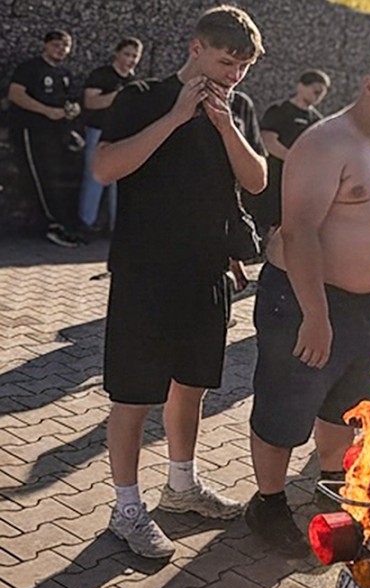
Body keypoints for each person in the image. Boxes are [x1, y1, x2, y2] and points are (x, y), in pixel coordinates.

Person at [245, 46, 370, 556]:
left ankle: (330, 488)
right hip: (306, 298)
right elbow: (299, 229)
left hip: (369, 306)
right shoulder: (325, 142)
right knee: (286, 408)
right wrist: (315, 315)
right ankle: (267, 504)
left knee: (348, 411)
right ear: (369, 84)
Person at [93, 5, 267, 558]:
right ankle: (126, 506)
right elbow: (105, 168)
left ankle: (182, 486)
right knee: (133, 394)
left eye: (242, 67)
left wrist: (225, 125)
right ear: (196, 49)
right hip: (145, 271)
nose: (233, 76)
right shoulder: (141, 96)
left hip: (208, 271)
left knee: (191, 386)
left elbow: (257, 181)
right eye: (225, 62)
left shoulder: (238, 107)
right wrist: (173, 117)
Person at [7, 30, 83, 247]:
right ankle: (51, 224)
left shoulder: (65, 73)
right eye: (57, 45)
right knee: (40, 177)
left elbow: (72, 99)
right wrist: (46, 110)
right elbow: (15, 94)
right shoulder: (30, 68)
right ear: (46, 45)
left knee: (56, 178)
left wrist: (73, 109)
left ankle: (62, 223)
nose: (61, 50)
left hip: (57, 132)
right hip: (32, 129)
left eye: (65, 46)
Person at [249, 69, 329, 232]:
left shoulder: (318, 121)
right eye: (315, 91)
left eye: (321, 93)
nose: (318, 96)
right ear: (301, 86)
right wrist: (295, 160)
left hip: (296, 182)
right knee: (263, 220)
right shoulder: (279, 110)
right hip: (273, 175)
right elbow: (268, 140)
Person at [78, 37, 142, 235]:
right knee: (94, 178)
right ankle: (85, 224)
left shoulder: (135, 81)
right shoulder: (101, 75)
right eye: (127, 54)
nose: (130, 60)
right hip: (98, 132)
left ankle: (118, 228)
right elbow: (90, 102)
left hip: (124, 136)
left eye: (135, 56)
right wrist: (118, 96)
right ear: (117, 53)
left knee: (121, 181)